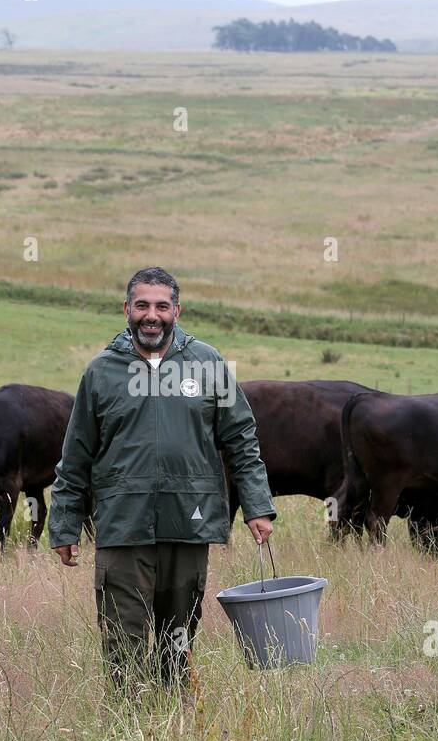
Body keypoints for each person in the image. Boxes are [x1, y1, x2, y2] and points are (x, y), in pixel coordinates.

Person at [48, 266, 275, 695]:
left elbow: (241, 439)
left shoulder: (207, 364)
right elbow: (75, 456)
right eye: (142, 305)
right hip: (122, 524)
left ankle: (174, 723)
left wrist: (257, 506)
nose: (151, 315)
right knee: (123, 639)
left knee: (178, 637)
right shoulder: (101, 372)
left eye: (161, 306)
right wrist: (64, 524)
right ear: (127, 309)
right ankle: (131, 731)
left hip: (188, 521)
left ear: (177, 310)